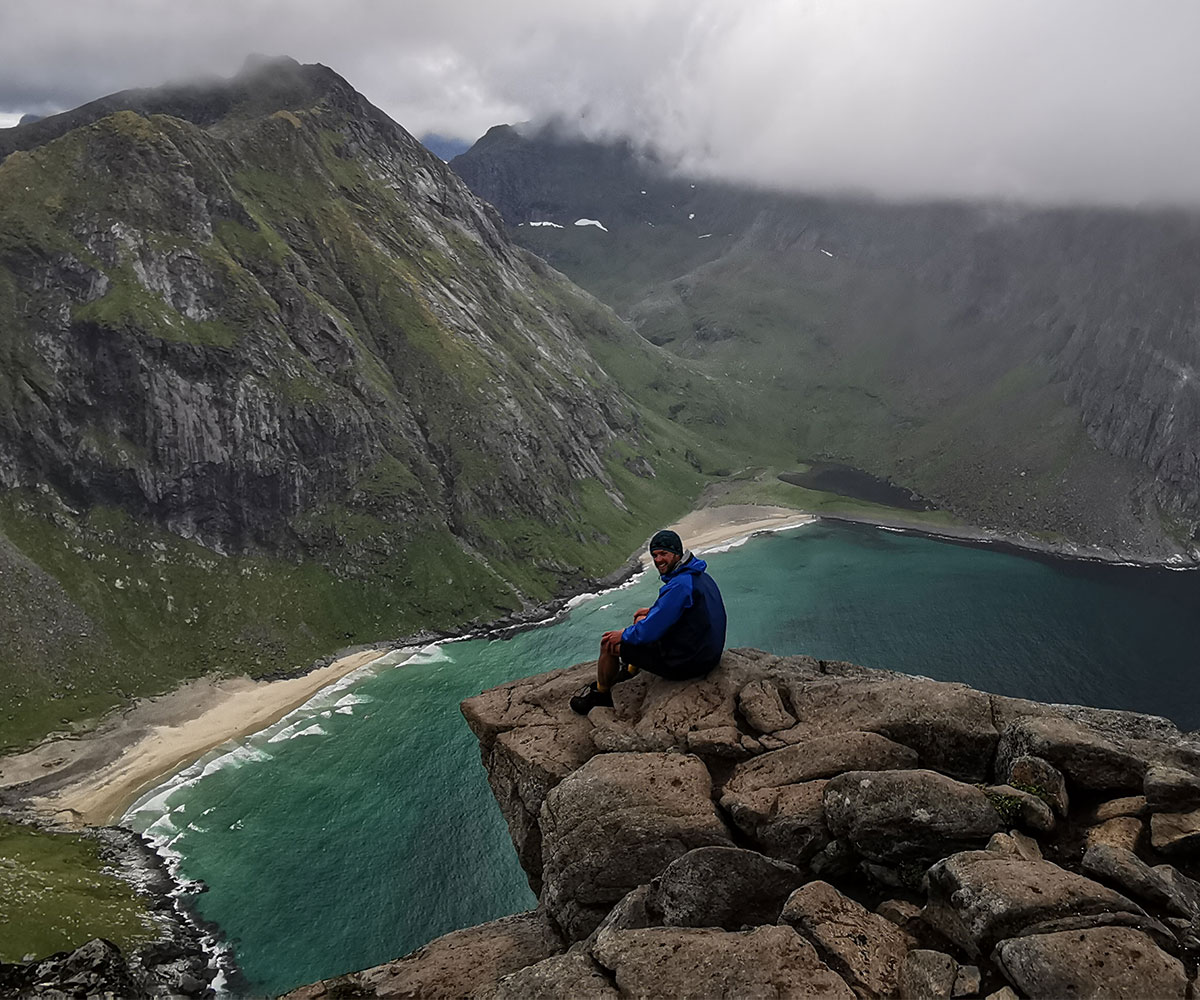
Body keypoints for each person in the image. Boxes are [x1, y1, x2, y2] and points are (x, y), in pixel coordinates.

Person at [570, 528, 727, 714]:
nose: (658, 560)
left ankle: (601, 695)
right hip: (707, 653)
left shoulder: (680, 586)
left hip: (687, 663)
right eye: (655, 555)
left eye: (663, 554)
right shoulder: (697, 575)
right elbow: (677, 612)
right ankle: (631, 670)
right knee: (640, 616)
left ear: (677, 554)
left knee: (608, 644)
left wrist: (622, 635)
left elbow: (649, 632)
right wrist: (649, 615)